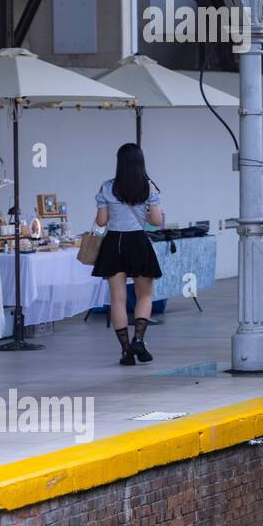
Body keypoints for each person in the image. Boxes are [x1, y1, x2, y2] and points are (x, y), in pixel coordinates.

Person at [92, 143, 164, 366]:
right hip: (138, 242)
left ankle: (126, 351)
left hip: (114, 243)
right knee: (144, 295)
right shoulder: (149, 188)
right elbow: (156, 222)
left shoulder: (107, 187)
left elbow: (102, 222)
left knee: (118, 300)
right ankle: (139, 340)